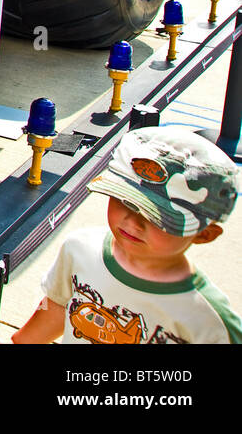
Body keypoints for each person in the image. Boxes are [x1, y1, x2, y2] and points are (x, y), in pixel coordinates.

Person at [13, 126, 240, 344]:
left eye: (158, 216)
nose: (133, 222)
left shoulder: (209, 320)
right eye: (124, 200)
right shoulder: (80, 249)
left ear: (205, 234)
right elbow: (60, 306)